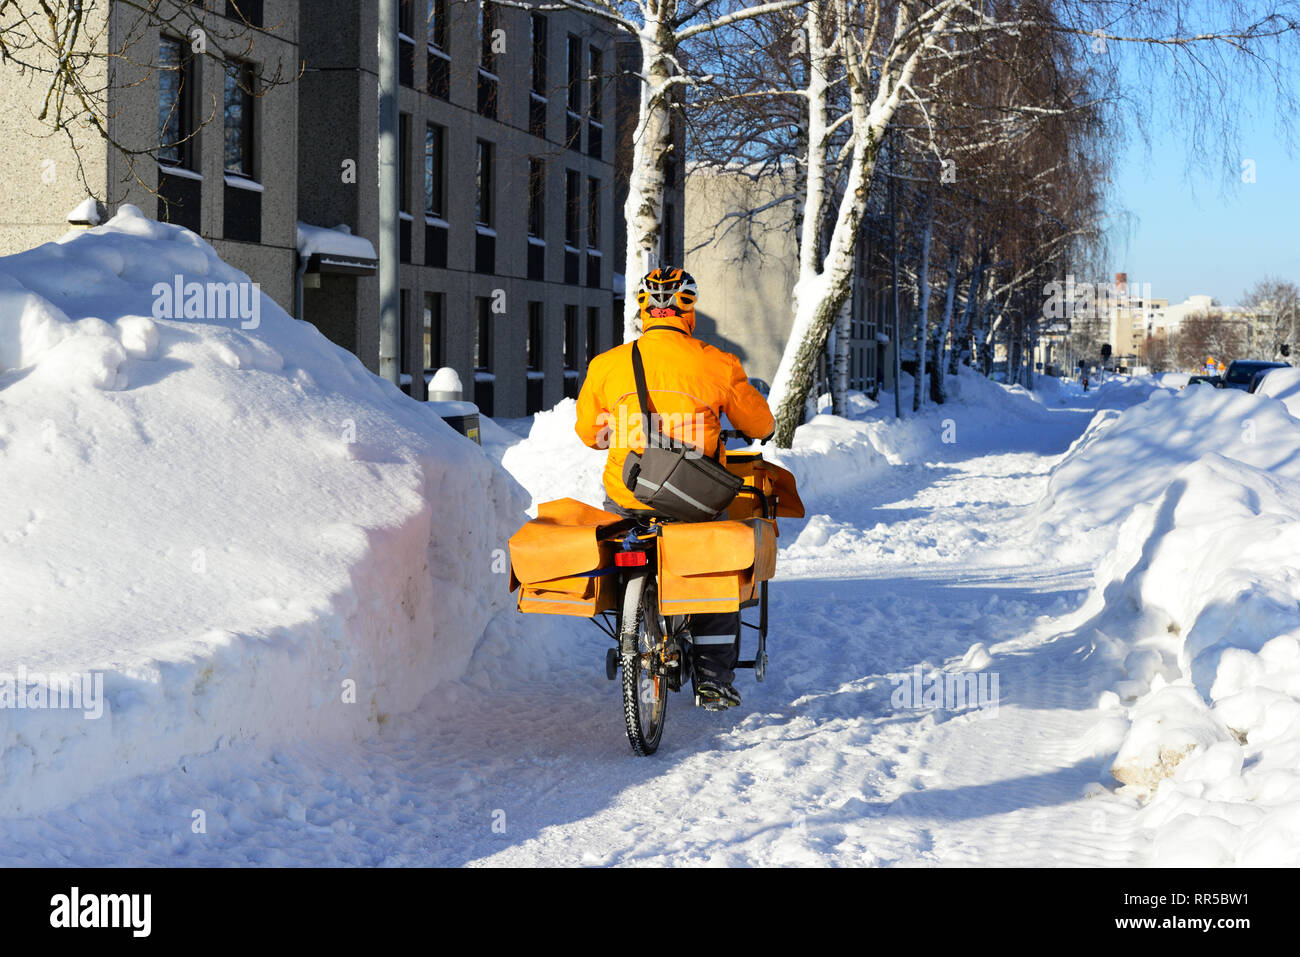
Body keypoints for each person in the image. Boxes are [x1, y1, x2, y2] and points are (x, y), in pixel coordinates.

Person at [574, 268, 774, 710]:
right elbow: (761, 424)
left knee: (626, 533)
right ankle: (713, 679)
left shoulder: (607, 365)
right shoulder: (716, 362)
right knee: (712, 568)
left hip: (628, 495)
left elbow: (590, 433)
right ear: (688, 311)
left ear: (644, 310)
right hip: (693, 500)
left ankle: (633, 623)